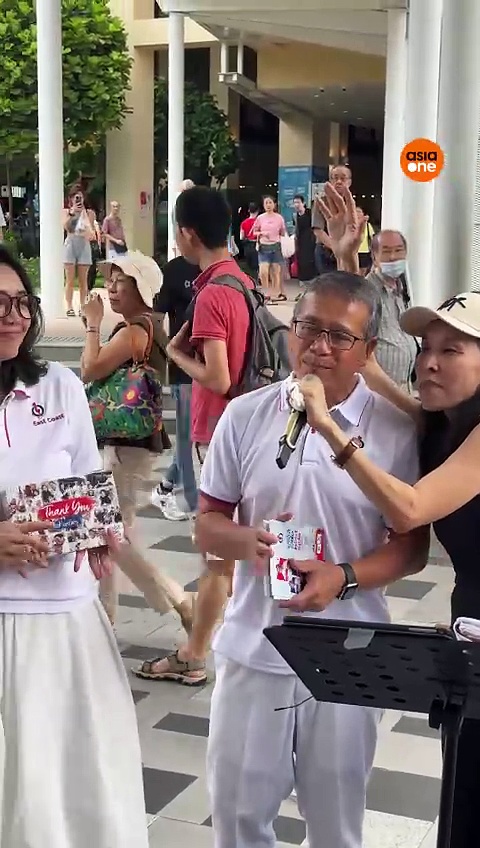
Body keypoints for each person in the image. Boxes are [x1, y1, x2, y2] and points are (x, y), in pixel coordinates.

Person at [194, 271, 429, 848]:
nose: (319, 347)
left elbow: (411, 547)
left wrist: (344, 579)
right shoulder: (246, 415)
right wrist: (246, 542)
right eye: (308, 329)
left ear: (369, 350)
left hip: (351, 654)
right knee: (238, 815)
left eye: (339, 336)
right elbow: (207, 521)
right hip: (256, 644)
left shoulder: (396, 431)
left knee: (336, 823)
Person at [295, 291, 480, 848]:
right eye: (426, 348)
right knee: (464, 792)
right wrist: (349, 266)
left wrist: (331, 432)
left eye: (453, 350)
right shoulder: (438, 423)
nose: (429, 361)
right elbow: (370, 367)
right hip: (469, 626)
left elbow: (410, 509)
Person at [0, 244, 148, 847]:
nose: (13, 316)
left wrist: (99, 533)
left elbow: (90, 483)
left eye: (21, 303)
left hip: (67, 615)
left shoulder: (58, 386)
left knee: (75, 784)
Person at [135, 186, 254, 686]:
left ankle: (196, 653)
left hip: (219, 433)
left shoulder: (212, 294)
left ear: (186, 233)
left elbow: (219, 377)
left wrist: (176, 354)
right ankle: (213, 643)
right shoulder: (240, 281)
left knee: (214, 550)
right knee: (225, 551)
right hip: (243, 430)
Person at [81, 252, 191, 629]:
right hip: (129, 444)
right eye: (109, 279)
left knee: (111, 534)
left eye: (120, 281)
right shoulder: (146, 325)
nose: (110, 288)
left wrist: (92, 326)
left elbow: (90, 369)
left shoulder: (134, 331)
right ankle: (106, 621)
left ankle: (178, 599)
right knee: (109, 533)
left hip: (124, 446)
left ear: (139, 288)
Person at [151, 255, 200, 521]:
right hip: (183, 366)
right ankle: (189, 500)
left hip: (214, 367)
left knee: (190, 436)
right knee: (185, 436)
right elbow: (157, 316)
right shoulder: (175, 270)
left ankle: (166, 486)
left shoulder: (222, 267)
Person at [366, 229, 418, 387]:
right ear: (375, 258)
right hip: (379, 390)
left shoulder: (402, 289)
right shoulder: (367, 290)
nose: (393, 257)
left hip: (404, 386)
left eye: (398, 250)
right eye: (386, 252)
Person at [63, 187, 95, 317]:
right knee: (69, 279)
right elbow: (67, 228)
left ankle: (83, 306)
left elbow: (89, 232)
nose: (78, 200)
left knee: (83, 280)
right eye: (75, 197)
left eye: (80, 198)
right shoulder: (66, 212)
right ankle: (69, 306)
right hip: (70, 244)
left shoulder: (89, 213)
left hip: (84, 245)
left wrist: (84, 215)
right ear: (70, 199)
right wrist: (73, 213)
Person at [253, 195, 287, 302]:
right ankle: (265, 292)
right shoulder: (260, 218)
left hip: (276, 246)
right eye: (266, 203)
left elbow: (283, 232)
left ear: (274, 204)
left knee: (276, 272)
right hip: (264, 247)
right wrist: (262, 233)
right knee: (263, 271)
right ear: (263, 205)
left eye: (270, 202)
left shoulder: (279, 218)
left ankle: (274, 294)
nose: (268, 205)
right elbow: (254, 232)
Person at [293, 194, 316, 295]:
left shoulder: (310, 214)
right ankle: (304, 288)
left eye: (298, 202)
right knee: (302, 262)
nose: (296, 205)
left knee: (311, 262)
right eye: (295, 203)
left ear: (303, 203)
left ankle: (312, 286)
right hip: (301, 243)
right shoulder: (295, 216)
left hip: (311, 241)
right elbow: (296, 230)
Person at [240, 202, 260, 280]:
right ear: (258, 211)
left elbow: (241, 237)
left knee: (249, 265)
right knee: (258, 264)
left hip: (248, 245)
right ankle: (258, 279)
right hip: (257, 244)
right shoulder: (260, 222)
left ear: (249, 210)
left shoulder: (243, 223)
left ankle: (251, 280)